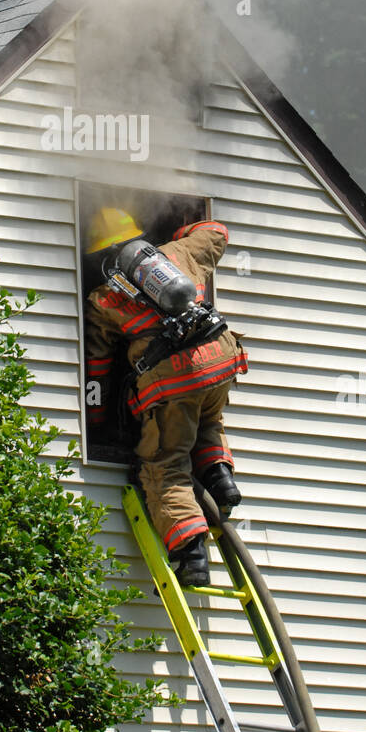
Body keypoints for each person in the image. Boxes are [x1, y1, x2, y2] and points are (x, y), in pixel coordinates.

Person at [84, 207, 246, 586]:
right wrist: (182, 230)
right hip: (221, 357)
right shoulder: (181, 253)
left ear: (101, 256)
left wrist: (96, 420)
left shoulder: (103, 299)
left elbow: (96, 367)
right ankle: (221, 480)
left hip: (172, 380)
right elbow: (217, 231)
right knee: (208, 418)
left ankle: (191, 557)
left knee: (164, 465)